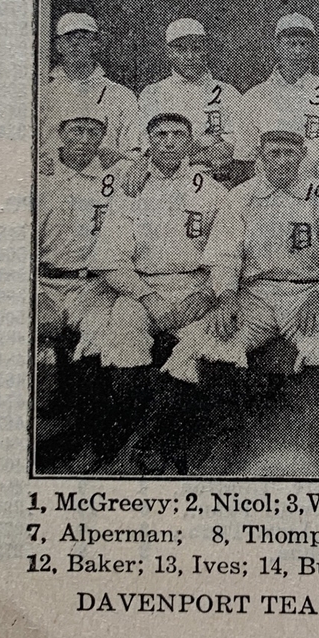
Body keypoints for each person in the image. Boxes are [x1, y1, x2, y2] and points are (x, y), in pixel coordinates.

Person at [160, 117, 319, 468]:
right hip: (253, 295)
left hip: (306, 293)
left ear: (303, 154)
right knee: (215, 342)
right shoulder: (242, 195)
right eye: (274, 154)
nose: (283, 161)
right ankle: (227, 438)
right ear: (260, 156)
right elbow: (226, 255)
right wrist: (226, 298)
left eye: (291, 153)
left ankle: (311, 449)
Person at [81, 113, 226, 466]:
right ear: (149, 141)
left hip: (195, 286)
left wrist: (206, 293)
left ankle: (162, 441)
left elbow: (227, 254)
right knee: (123, 334)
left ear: (190, 142)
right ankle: (117, 436)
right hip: (140, 287)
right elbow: (110, 259)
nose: (170, 141)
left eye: (178, 135)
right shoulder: (131, 188)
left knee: (200, 346)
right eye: (161, 135)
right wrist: (147, 296)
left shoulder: (212, 191)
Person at [34, 110, 121, 469]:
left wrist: (127, 159)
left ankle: (93, 437)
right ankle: (48, 413)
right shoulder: (40, 174)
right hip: (46, 281)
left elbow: (148, 161)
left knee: (95, 341)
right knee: (42, 329)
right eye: (77, 130)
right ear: (61, 133)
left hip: (92, 283)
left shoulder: (113, 177)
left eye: (92, 132)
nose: (84, 139)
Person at [237, 13, 319, 192]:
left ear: (312, 48)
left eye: (303, 44)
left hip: (317, 192)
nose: (297, 51)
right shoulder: (254, 96)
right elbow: (244, 160)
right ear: (277, 46)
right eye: (290, 44)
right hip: (266, 194)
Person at [135, 19, 242, 181]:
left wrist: (183, 157)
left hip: (214, 180)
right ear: (169, 52)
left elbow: (234, 146)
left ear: (205, 50)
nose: (189, 56)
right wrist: (206, 142)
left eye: (196, 48)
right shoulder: (153, 93)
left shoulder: (226, 92)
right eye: (181, 49)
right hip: (164, 181)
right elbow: (148, 147)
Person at [40, 12, 139, 167]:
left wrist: (119, 158)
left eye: (83, 38)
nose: (75, 44)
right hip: (55, 183)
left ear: (95, 45)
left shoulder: (120, 95)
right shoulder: (43, 95)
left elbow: (135, 151)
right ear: (59, 45)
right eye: (68, 38)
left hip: (106, 183)